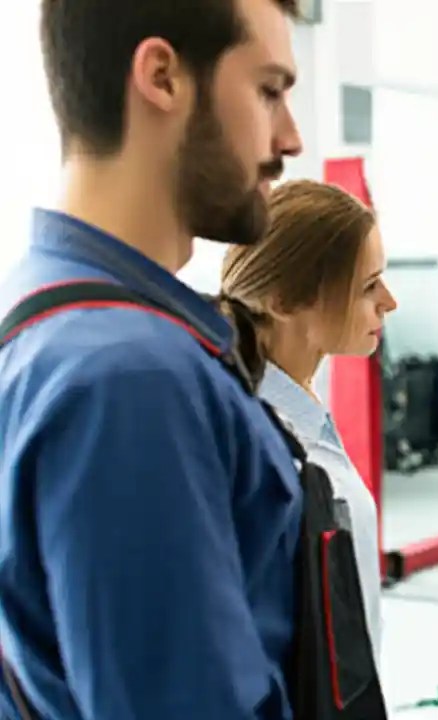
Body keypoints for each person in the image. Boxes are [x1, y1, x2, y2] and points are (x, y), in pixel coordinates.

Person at [0, 0, 310, 717]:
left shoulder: (41, 316)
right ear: (163, 77)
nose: (289, 137)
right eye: (268, 90)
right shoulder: (132, 378)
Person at [219, 178, 399, 666]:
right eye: (367, 286)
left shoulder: (302, 415)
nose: (389, 301)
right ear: (284, 301)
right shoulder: (266, 445)